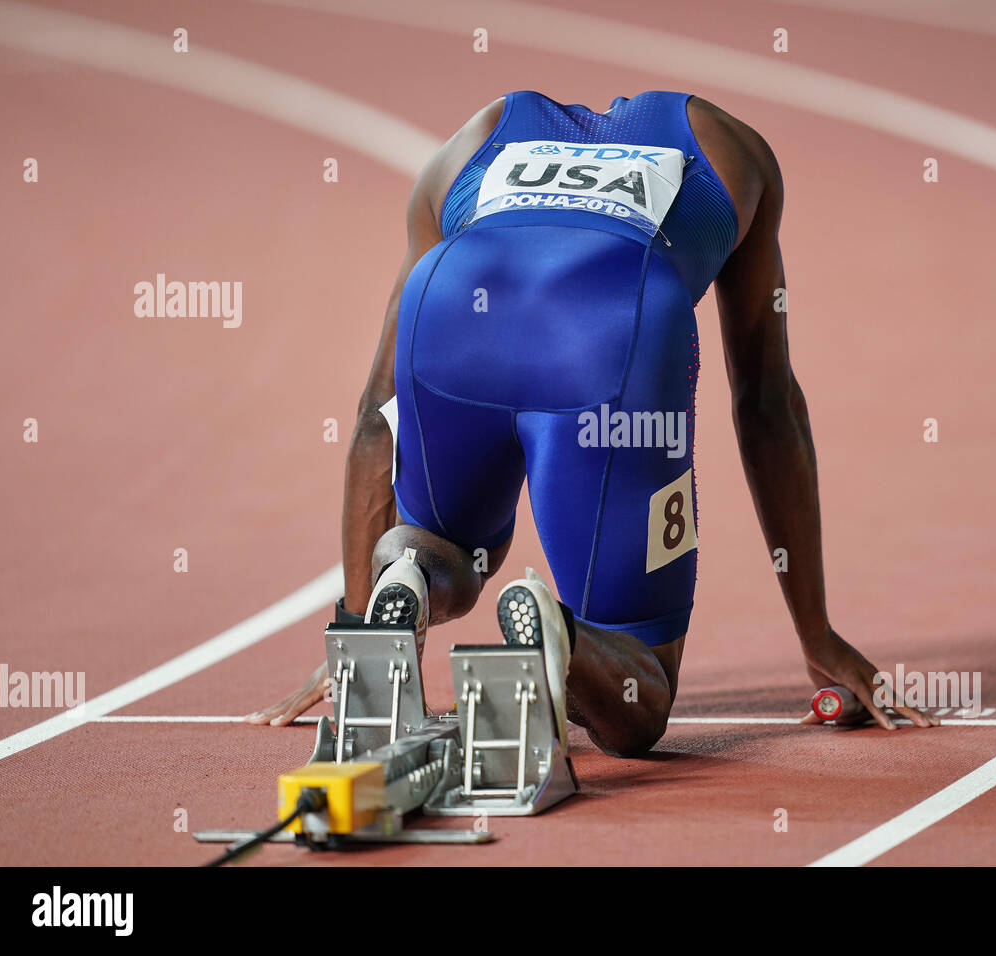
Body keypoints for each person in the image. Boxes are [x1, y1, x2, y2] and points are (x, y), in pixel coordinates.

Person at [246, 90, 939, 754]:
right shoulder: (735, 150)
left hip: (455, 305)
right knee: (642, 699)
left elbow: (375, 417)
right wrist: (816, 635)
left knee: (451, 548)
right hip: (611, 329)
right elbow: (765, 403)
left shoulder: (472, 141)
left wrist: (360, 642)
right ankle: (562, 636)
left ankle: (409, 576)